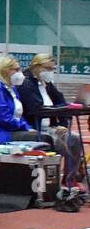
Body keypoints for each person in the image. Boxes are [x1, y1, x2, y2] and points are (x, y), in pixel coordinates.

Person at [15, 53, 87, 191]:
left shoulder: (47, 84)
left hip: (52, 127)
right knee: (61, 143)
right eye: (48, 68)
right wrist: (58, 110)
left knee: (75, 139)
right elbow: (36, 108)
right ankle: (52, 182)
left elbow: (61, 101)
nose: (50, 72)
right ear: (37, 67)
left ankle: (70, 178)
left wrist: (62, 125)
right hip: (34, 128)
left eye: (52, 68)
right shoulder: (26, 84)